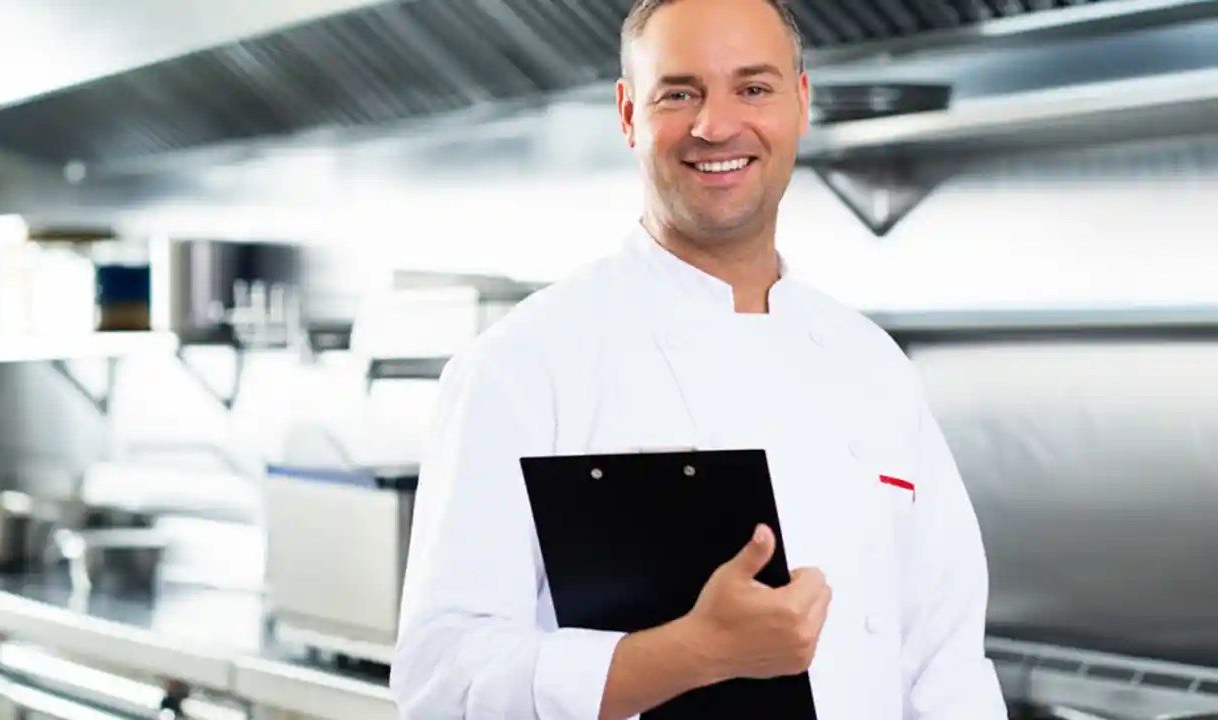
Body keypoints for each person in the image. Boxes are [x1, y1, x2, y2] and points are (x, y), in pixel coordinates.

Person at [391, 0, 1008, 717]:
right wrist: (692, 653)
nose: (715, 125)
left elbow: (946, 657)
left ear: (800, 103)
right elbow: (440, 684)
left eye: (753, 88)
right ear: (627, 114)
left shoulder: (872, 364)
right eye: (679, 93)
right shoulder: (524, 365)